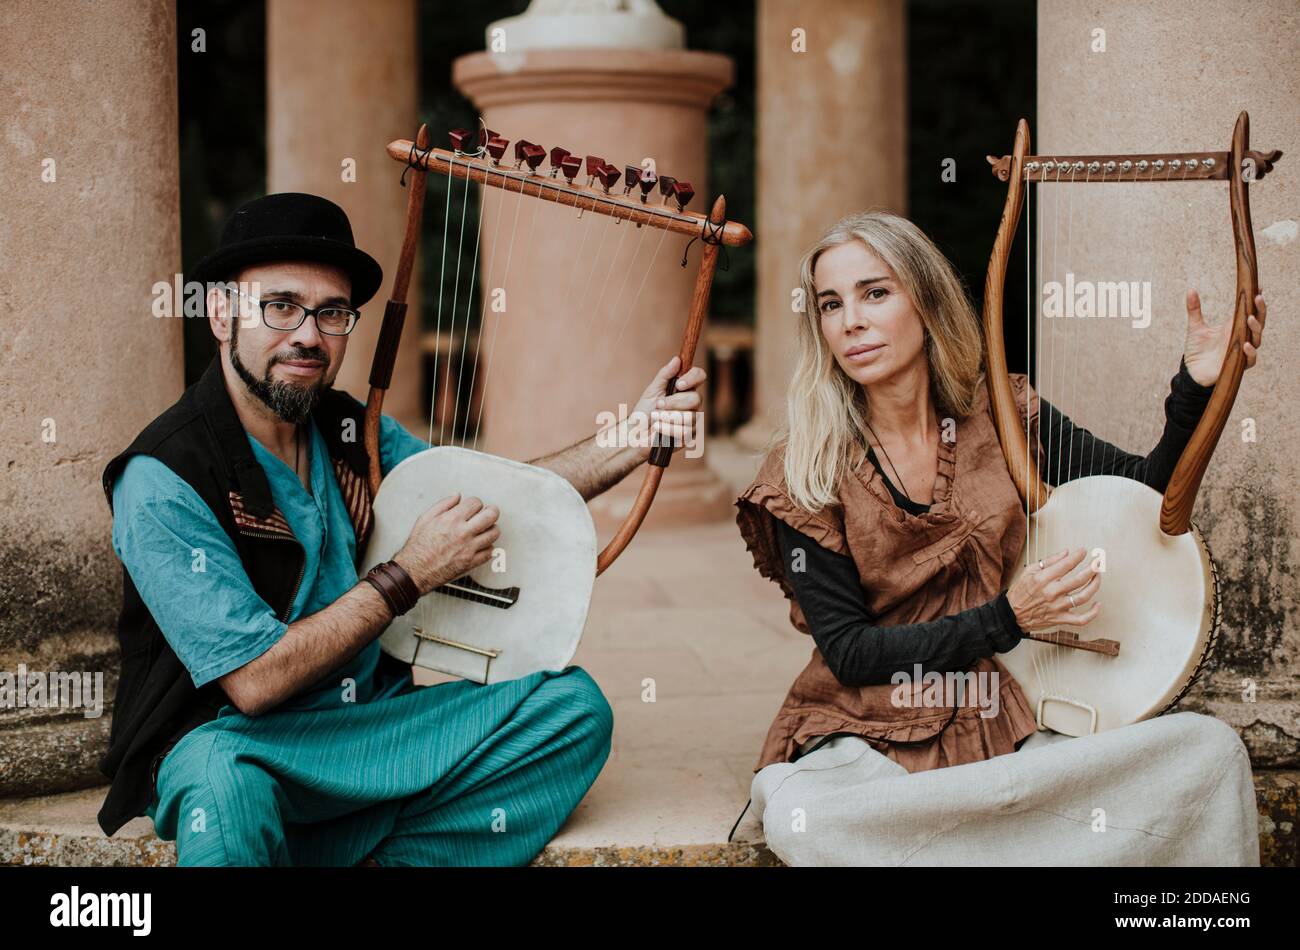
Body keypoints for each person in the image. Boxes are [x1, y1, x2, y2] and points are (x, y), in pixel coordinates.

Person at [98, 192, 705, 866]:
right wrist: (406, 575)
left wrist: (633, 437)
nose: (307, 335)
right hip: (236, 740)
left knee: (572, 710)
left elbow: (497, 500)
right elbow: (255, 681)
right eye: (279, 306)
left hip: (369, 729)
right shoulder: (163, 475)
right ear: (220, 314)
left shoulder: (351, 430)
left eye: (331, 313)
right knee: (224, 790)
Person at [734, 210, 1267, 866]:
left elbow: (1142, 496)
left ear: (926, 300)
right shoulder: (803, 468)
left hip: (1005, 724)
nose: (851, 321)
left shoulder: (1005, 415)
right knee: (801, 815)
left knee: (1207, 754)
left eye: (876, 293)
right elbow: (849, 652)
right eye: (830, 304)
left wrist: (1197, 389)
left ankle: (984, 834)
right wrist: (1008, 618)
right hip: (868, 738)